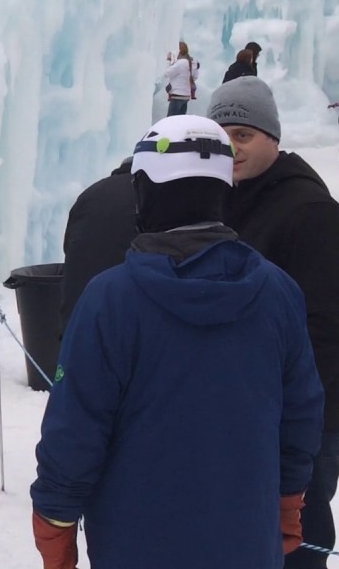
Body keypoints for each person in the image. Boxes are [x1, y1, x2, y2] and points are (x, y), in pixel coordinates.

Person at [31, 114, 324, 569]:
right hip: (247, 539)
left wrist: (55, 519)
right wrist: (288, 498)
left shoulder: (111, 299)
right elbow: (301, 413)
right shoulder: (277, 291)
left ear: (145, 194)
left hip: (136, 544)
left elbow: (76, 428)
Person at [207, 76, 339, 569]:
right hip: (245, 409)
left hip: (302, 419)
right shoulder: (225, 196)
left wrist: (285, 407)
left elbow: (326, 329)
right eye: (222, 136)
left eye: (243, 135)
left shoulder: (310, 211)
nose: (232, 148)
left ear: (273, 138)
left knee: (298, 533)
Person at [58, 157, 135, 332]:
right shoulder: (149, 195)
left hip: (80, 312)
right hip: (125, 312)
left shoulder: (89, 194)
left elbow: (68, 246)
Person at [162, 41, 200, 116]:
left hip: (177, 95)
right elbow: (195, 76)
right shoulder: (190, 62)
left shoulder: (180, 63)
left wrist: (170, 61)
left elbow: (166, 73)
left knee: (171, 120)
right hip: (186, 96)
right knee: (180, 119)